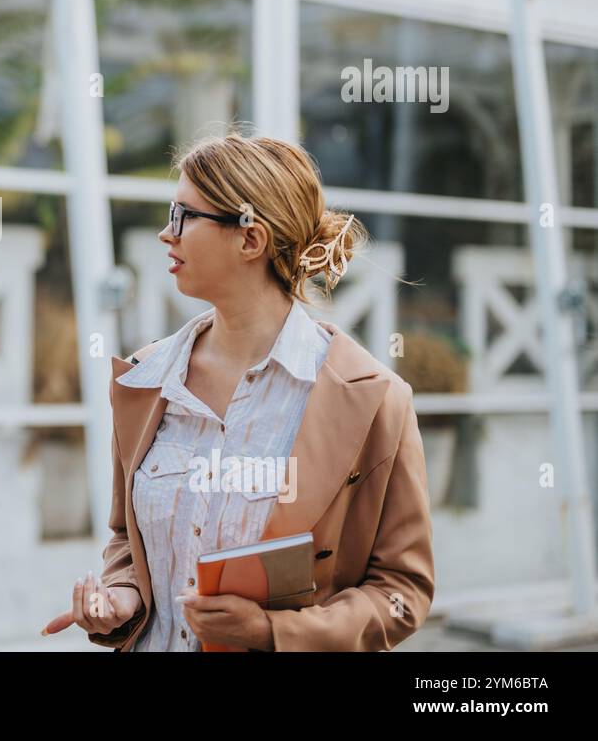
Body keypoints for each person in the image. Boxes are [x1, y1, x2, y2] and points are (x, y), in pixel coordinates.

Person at [43, 131, 435, 651]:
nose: (167, 233)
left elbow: (402, 592)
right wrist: (123, 597)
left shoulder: (374, 400)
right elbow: (127, 540)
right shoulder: (143, 379)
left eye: (185, 216)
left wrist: (273, 632)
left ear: (251, 240)